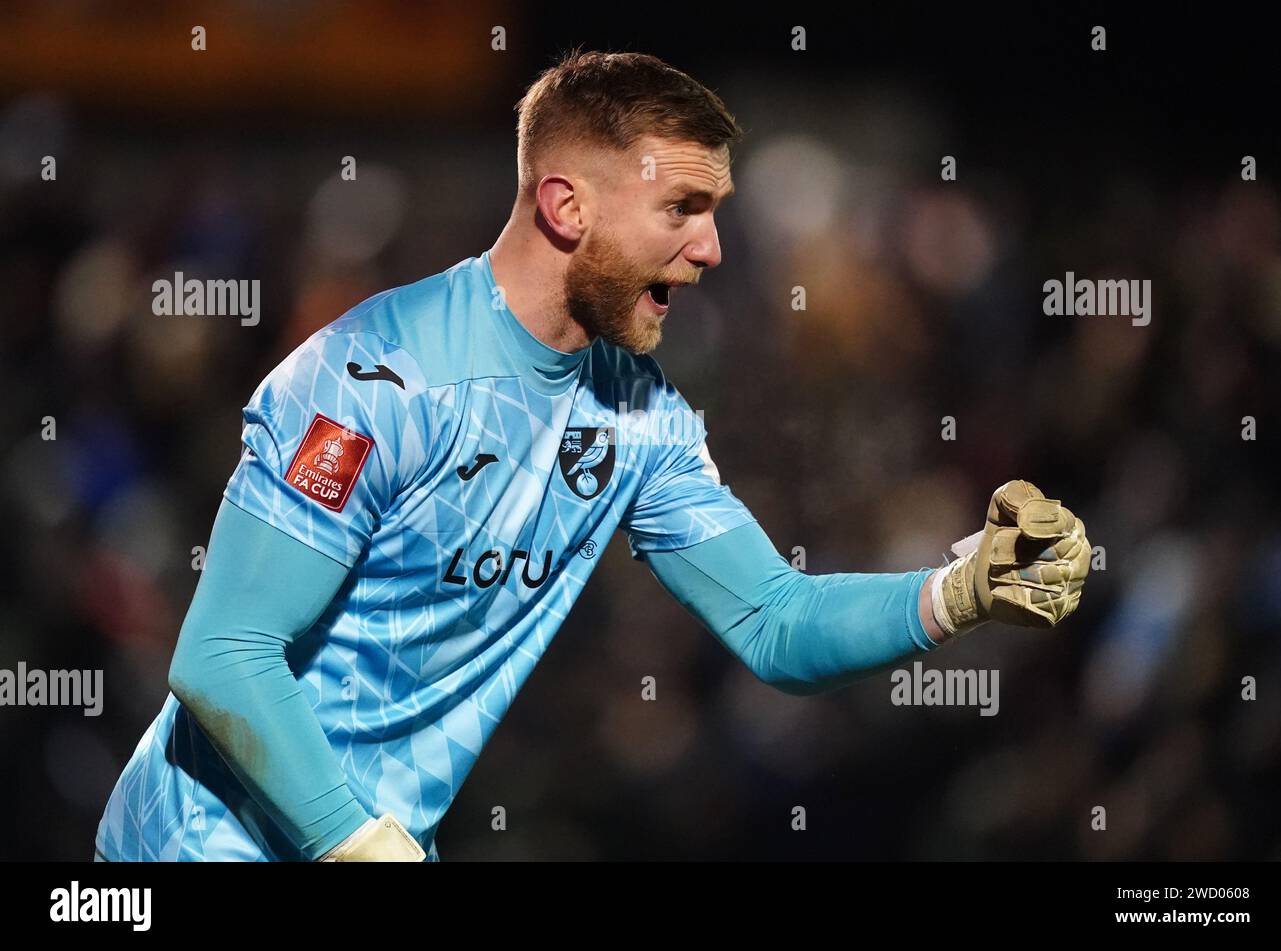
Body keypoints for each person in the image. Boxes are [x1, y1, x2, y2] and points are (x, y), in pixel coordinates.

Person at [94, 50, 1089, 862]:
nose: (712, 250)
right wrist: (350, 840)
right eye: (681, 209)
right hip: (198, 845)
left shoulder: (640, 419)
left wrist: (957, 593)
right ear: (568, 210)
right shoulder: (374, 377)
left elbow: (775, 623)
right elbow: (223, 657)